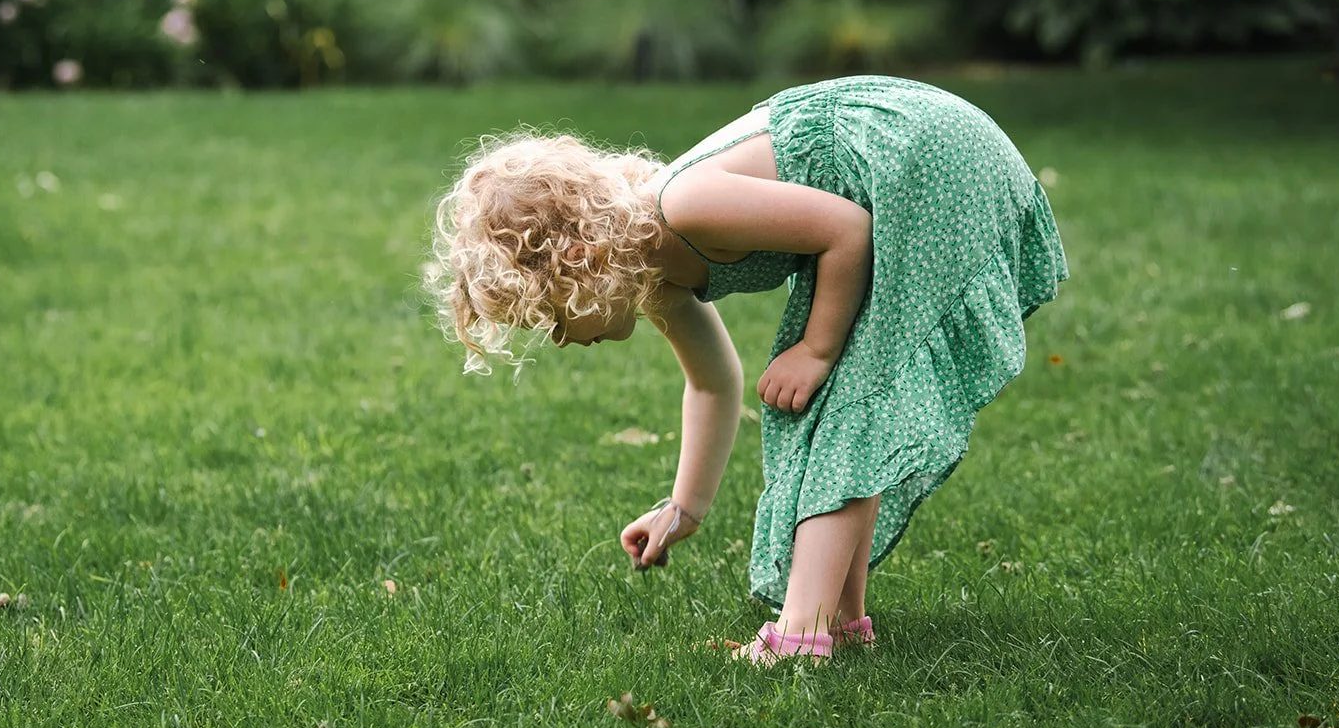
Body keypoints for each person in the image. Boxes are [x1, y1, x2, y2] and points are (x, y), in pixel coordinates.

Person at [428, 76, 1068, 664]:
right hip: (908, 170)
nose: (561, 339)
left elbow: (847, 229)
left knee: (849, 398)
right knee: (846, 399)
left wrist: (815, 349)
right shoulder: (656, 277)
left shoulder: (686, 204)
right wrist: (684, 508)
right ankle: (840, 621)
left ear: (581, 259)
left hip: (927, 157)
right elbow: (712, 381)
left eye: (553, 317)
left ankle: (803, 633)